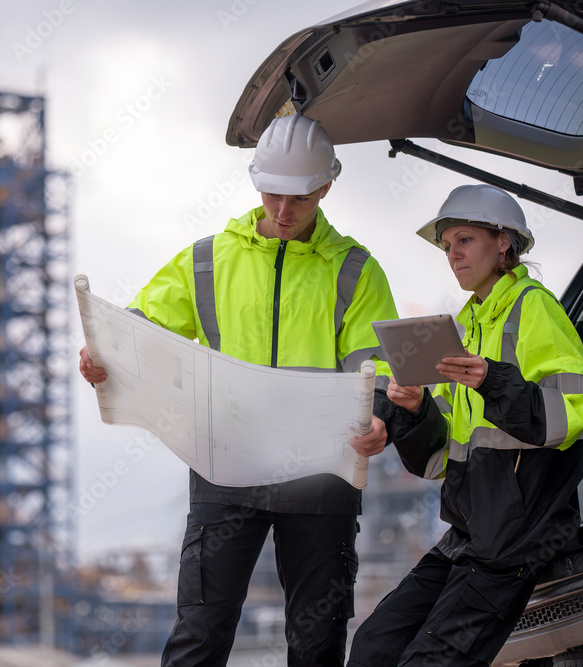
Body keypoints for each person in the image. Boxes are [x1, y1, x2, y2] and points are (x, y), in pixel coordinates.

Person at [78, 113, 399, 666]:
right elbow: (138, 332)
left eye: (298, 198)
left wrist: (382, 421)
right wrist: (103, 356)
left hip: (320, 475)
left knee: (316, 640)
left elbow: (377, 370)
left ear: (325, 187)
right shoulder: (206, 260)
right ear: (256, 183)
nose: (282, 210)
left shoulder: (355, 271)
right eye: (272, 193)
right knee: (200, 633)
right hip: (225, 464)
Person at [347, 184, 583, 667]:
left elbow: (568, 417)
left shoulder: (534, 308)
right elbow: (440, 459)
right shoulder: (463, 327)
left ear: (504, 242)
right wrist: (414, 410)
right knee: (374, 645)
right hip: (468, 532)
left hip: (518, 536)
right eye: (447, 246)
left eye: (464, 240)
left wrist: (491, 379)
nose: (453, 255)